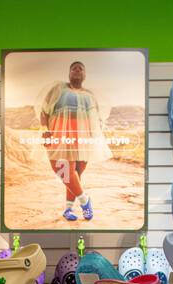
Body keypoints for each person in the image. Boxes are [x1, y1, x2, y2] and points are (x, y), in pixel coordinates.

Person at [37, 60, 110, 222]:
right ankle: (85, 201)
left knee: (75, 174)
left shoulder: (90, 95)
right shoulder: (58, 89)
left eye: (80, 68)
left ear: (85, 75)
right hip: (59, 136)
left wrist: (96, 137)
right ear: (69, 73)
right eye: (74, 68)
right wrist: (44, 129)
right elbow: (44, 111)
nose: (77, 70)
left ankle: (68, 209)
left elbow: (96, 118)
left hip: (83, 139)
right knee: (61, 169)